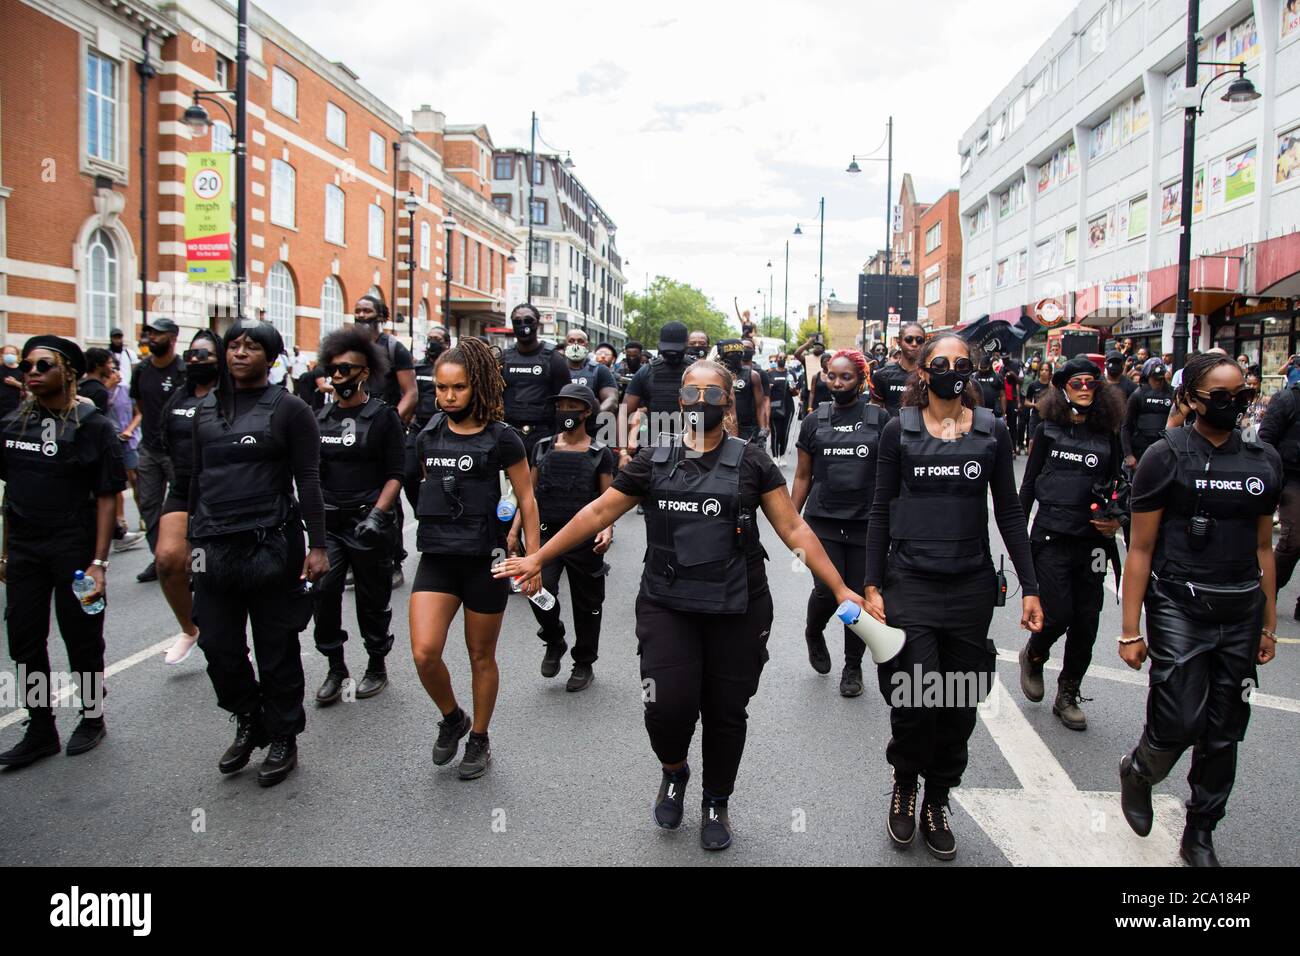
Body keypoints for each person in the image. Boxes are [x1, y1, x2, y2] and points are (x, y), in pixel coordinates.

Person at [494, 358, 867, 851]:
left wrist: (840, 588)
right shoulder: (654, 457)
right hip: (667, 602)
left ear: (726, 403)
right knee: (666, 705)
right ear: (679, 401)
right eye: (689, 393)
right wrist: (537, 555)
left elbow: (794, 529)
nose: (698, 403)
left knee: (725, 711)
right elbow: (600, 509)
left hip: (738, 604)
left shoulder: (751, 461)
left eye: (711, 394)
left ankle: (717, 800)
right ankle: (674, 770)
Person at [863, 332, 1043, 861]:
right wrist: (872, 583)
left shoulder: (992, 431)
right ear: (923, 371)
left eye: (961, 362)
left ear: (975, 370)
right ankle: (905, 781)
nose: (950, 369)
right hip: (910, 582)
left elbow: (1010, 513)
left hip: (969, 585)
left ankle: (939, 796)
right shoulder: (900, 430)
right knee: (915, 696)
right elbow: (880, 508)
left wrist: (1030, 586)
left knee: (960, 700)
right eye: (939, 361)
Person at [1117, 352, 1279, 867]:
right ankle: (1141, 769)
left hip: (1240, 608)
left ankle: (1200, 831)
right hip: (1178, 605)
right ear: (1190, 400)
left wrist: (1269, 623)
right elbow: (1139, 549)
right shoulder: (1164, 456)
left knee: (1224, 728)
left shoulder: (1263, 460)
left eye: (1243, 397)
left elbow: (1263, 548)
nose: (1232, 406)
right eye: (1220, 397)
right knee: (1179, 718)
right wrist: (1129, 631)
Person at [189, 322, 328, 788]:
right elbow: (192, 482)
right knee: (217, 645)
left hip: (272, 543)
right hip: (213, 546)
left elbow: (308, 480)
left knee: (277, 649)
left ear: (272, 358)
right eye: (234, 345)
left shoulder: (291, 410)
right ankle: (251, 718)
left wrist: (319, 545)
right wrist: (188, 544)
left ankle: (284, 735)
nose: (240, 352)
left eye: (253, 346)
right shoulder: (203, 411)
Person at [412, 336, 541, 779]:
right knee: (425, 652)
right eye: (441, 389)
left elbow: (527, 499)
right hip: (438, 556)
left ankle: (479, 738)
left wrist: (533, 558)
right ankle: (452, 718)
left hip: (485, 560)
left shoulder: (503, 439)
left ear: (478, 387)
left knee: (479, 655)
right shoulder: (428, 433)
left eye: (458, 388)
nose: (448, 397)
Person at [0, 336, 125, 766]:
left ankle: (92, 716)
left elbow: (108, 496)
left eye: (42, 365)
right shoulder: (13, 424)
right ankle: (40, 728)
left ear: (67, 373)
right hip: (25, 548)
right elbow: (9, 494)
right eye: (27, 366)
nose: (30, 372)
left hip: (74, 547)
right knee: (24, 640)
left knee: (82, 637)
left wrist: (100, 562)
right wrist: (5, 552)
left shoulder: (92, 427)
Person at [1016, 356, 1126, 730]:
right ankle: (1034, 654)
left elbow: (1119, 486)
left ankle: (1068, 693)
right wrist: (1015, 530)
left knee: (1087, 622)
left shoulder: (1108, 432)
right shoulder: (1048, 430)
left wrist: (1116, 519)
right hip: (1051, 535)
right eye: (1076, 382)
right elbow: (1029, 483)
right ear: (1062, 388)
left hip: (1093, 543)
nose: (1083, 388)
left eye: (1090, 383)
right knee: (1058, 612)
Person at [311, 327, 405, 705]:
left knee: (371, 599)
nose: (338, 377)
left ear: (364, 372)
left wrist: (377, 515)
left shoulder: (382, 417)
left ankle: (376, 664)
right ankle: (336, 667)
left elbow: (396, 474)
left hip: (370, 524)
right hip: (331, 525)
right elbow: (311, 473)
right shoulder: (320, 418)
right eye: (332, 369)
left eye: (346, 369)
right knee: (323, 592)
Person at [791, 349, 886, 697]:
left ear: (861, 380)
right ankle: (814, 632)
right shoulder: (815, 420)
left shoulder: (880, 419)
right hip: (823, 521)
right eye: (832, 375)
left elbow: (891, 476)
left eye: (846, 377)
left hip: (866, 523)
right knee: (827, 592)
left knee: (857, 596)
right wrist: (788, 519)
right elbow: (802, 475)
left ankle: (853, 666)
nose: (837, 382)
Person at [517, 384, 614, 691]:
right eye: (561, 406)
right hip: (546, 536)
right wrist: (513, 529)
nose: (565, 412)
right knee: (537, 589)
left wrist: (607, 528)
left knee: (587, 604)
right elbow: (527, 494)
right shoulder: (543, 447)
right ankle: (554, 637)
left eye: (573, 407)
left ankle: (584, 663)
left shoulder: (600, 454)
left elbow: (608, 499)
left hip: (584, 541)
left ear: (586, 412)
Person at [154, 331, 221, 665]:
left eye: (204, 354)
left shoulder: (229, 397)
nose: (196, 360)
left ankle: (221, 635)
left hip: (219, 491)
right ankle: (189, 628)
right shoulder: (178, 398)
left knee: (204, 567)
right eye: (192, 355)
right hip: (182, 488)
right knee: (167, 559)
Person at [354, 295, 417, 588]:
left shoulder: (394, 348)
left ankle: (394, 560)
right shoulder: (350, 348)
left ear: (381, 315)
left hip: (385, 429)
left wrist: (391, 422)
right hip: (353, 432)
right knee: (356, 493)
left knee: (388, 495)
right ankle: (359, 558)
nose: (361, 315)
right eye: (357, 311)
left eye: (367, 311)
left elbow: (411, 393)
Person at [125, 318, 186, 583]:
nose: (152, 338)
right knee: (148, 504)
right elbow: (139, 403)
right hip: (149, 448)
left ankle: (188, 556)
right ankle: (158, 556)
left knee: (184, 506)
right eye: (150, 333)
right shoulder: (141, 370)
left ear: (172, 338)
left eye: (158, 334)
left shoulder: (183, 370)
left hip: (177, 452)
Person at [499, 303, 570, 458]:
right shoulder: (503, 358)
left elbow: (565, 402)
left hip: (544, 435)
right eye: (518, 321)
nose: (523, 325)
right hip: (509, 433)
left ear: (537, 323)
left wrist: (561, 437)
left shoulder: (554, 359)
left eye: (528, 320)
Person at [1258, 369, 1300, 620]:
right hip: (1292, 478)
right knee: (1293, 540)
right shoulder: (1288, 400)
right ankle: (1266, 594)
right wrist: (1274, 482)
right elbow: (1265, 440)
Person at [622, 321, 691, 462]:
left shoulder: (696, 371)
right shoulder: (646, 371)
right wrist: (623, 451)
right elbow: (625, 412)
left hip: (690, 443)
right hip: (652, 443)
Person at [404, 325, 449, 509]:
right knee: (408, 472)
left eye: (437, 340)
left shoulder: (451, 368)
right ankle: (419, 510)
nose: (432, 342)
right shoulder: (417, 368)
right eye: (430, 338)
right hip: (419, 426)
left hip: (442, 428)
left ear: (447, 344)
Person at [562, 328, 618, 434]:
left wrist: (594, 416)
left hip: (591, 430)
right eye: (571, 341)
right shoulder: (557, 368)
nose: (575, 345)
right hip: (562, 427)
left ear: (587, 345)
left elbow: (612, 400)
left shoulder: (600, 370)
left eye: (580, 341)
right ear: (565, 344)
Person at [1122, 358, 1174, 471]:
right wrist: (1128, 455)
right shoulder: (1138, 395)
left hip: (1166, 448)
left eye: (1161, 379)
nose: (1158, 383)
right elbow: (1126, 426)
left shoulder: (1172, 394)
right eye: (1155, 379)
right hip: (1141, 449)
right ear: (1147, 377)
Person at [718, 338, 769, 444]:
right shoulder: (716, 375)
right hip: (721, 426)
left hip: (747, 429)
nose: (734, 356)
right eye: (730, 353)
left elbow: (760, 405)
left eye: (738, 353)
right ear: (723, 355)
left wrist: (763, 428)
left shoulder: (753, 375)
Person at [873, 322, 926, 417]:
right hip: (889, 429)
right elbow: (875, 410)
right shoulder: (882, 375)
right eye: (909, 339)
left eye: (919, 340)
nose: (914, 344)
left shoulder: (929, 376)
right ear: (899, 342)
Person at [767, 353, 797, 461]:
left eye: (784, 358)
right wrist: (769, 388)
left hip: (788, 407)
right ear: (776, 359)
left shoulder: (790, 373)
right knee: (776, 432)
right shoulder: (770, 374)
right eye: (780, 358)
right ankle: (775, 457)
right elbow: (765, 393)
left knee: (785, 432)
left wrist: (792, 388)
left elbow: (795, 393)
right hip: (774, 406)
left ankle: (782, 455)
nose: (781, 359)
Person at [792, 334, 828, 416]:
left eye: (819, 347)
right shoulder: (807, 359)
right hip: (808, 394)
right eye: (815, 346)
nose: (816, 348)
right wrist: (807, 344)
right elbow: (797, 354)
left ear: (823, 349)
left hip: (823, 392)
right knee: (808, 418)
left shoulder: (826, 360)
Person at [1022, 363, 1052, 451]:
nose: (1044, 372)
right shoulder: (1033, 385)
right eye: (1042, 370)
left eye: (1046, 370)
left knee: (1046, 441)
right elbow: (1026, 402)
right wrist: (1035, 405)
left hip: (1048, 416)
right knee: (1032, 441)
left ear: (1050, 372)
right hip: (1035, 416)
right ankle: (1030, 461)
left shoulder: (1053, 386)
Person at [77, 348, 114, 415]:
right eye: (109, 363)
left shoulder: (79, 384)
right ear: (98, 365)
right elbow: (98, 420)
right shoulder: (99, 391)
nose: (112, 366)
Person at [972, 353, 1005, 419]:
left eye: (985, 368)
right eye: (981, 368)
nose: (983, 370)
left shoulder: (997, 377)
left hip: (995, 412)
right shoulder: (974, 376)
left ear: (989, 365)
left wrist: (1004, 413)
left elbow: (1002, 395)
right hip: (979, 412)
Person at [0, 344, 24, 419]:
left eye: (12, 354)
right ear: (2, 355)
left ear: (17, 355)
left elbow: (29, 387)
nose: (9, 355)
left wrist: (15, 383)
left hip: (15, 406)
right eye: (6, 353)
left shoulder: (22, 370)